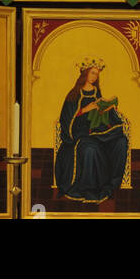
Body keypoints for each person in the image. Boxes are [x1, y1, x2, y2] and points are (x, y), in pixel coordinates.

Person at [54, 61, 128, 203]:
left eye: (97, 74)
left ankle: (111, 184)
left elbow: (99, 114)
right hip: (78, 135)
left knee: (121, 142)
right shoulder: (74, 94)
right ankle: (88, 189)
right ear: (85, 73)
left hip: (97, 132)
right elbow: (67, 118)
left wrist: (108, 108)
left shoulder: (96, 92)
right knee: (90, 148)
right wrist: (84, 110)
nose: (95, 77)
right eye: (93, 73)